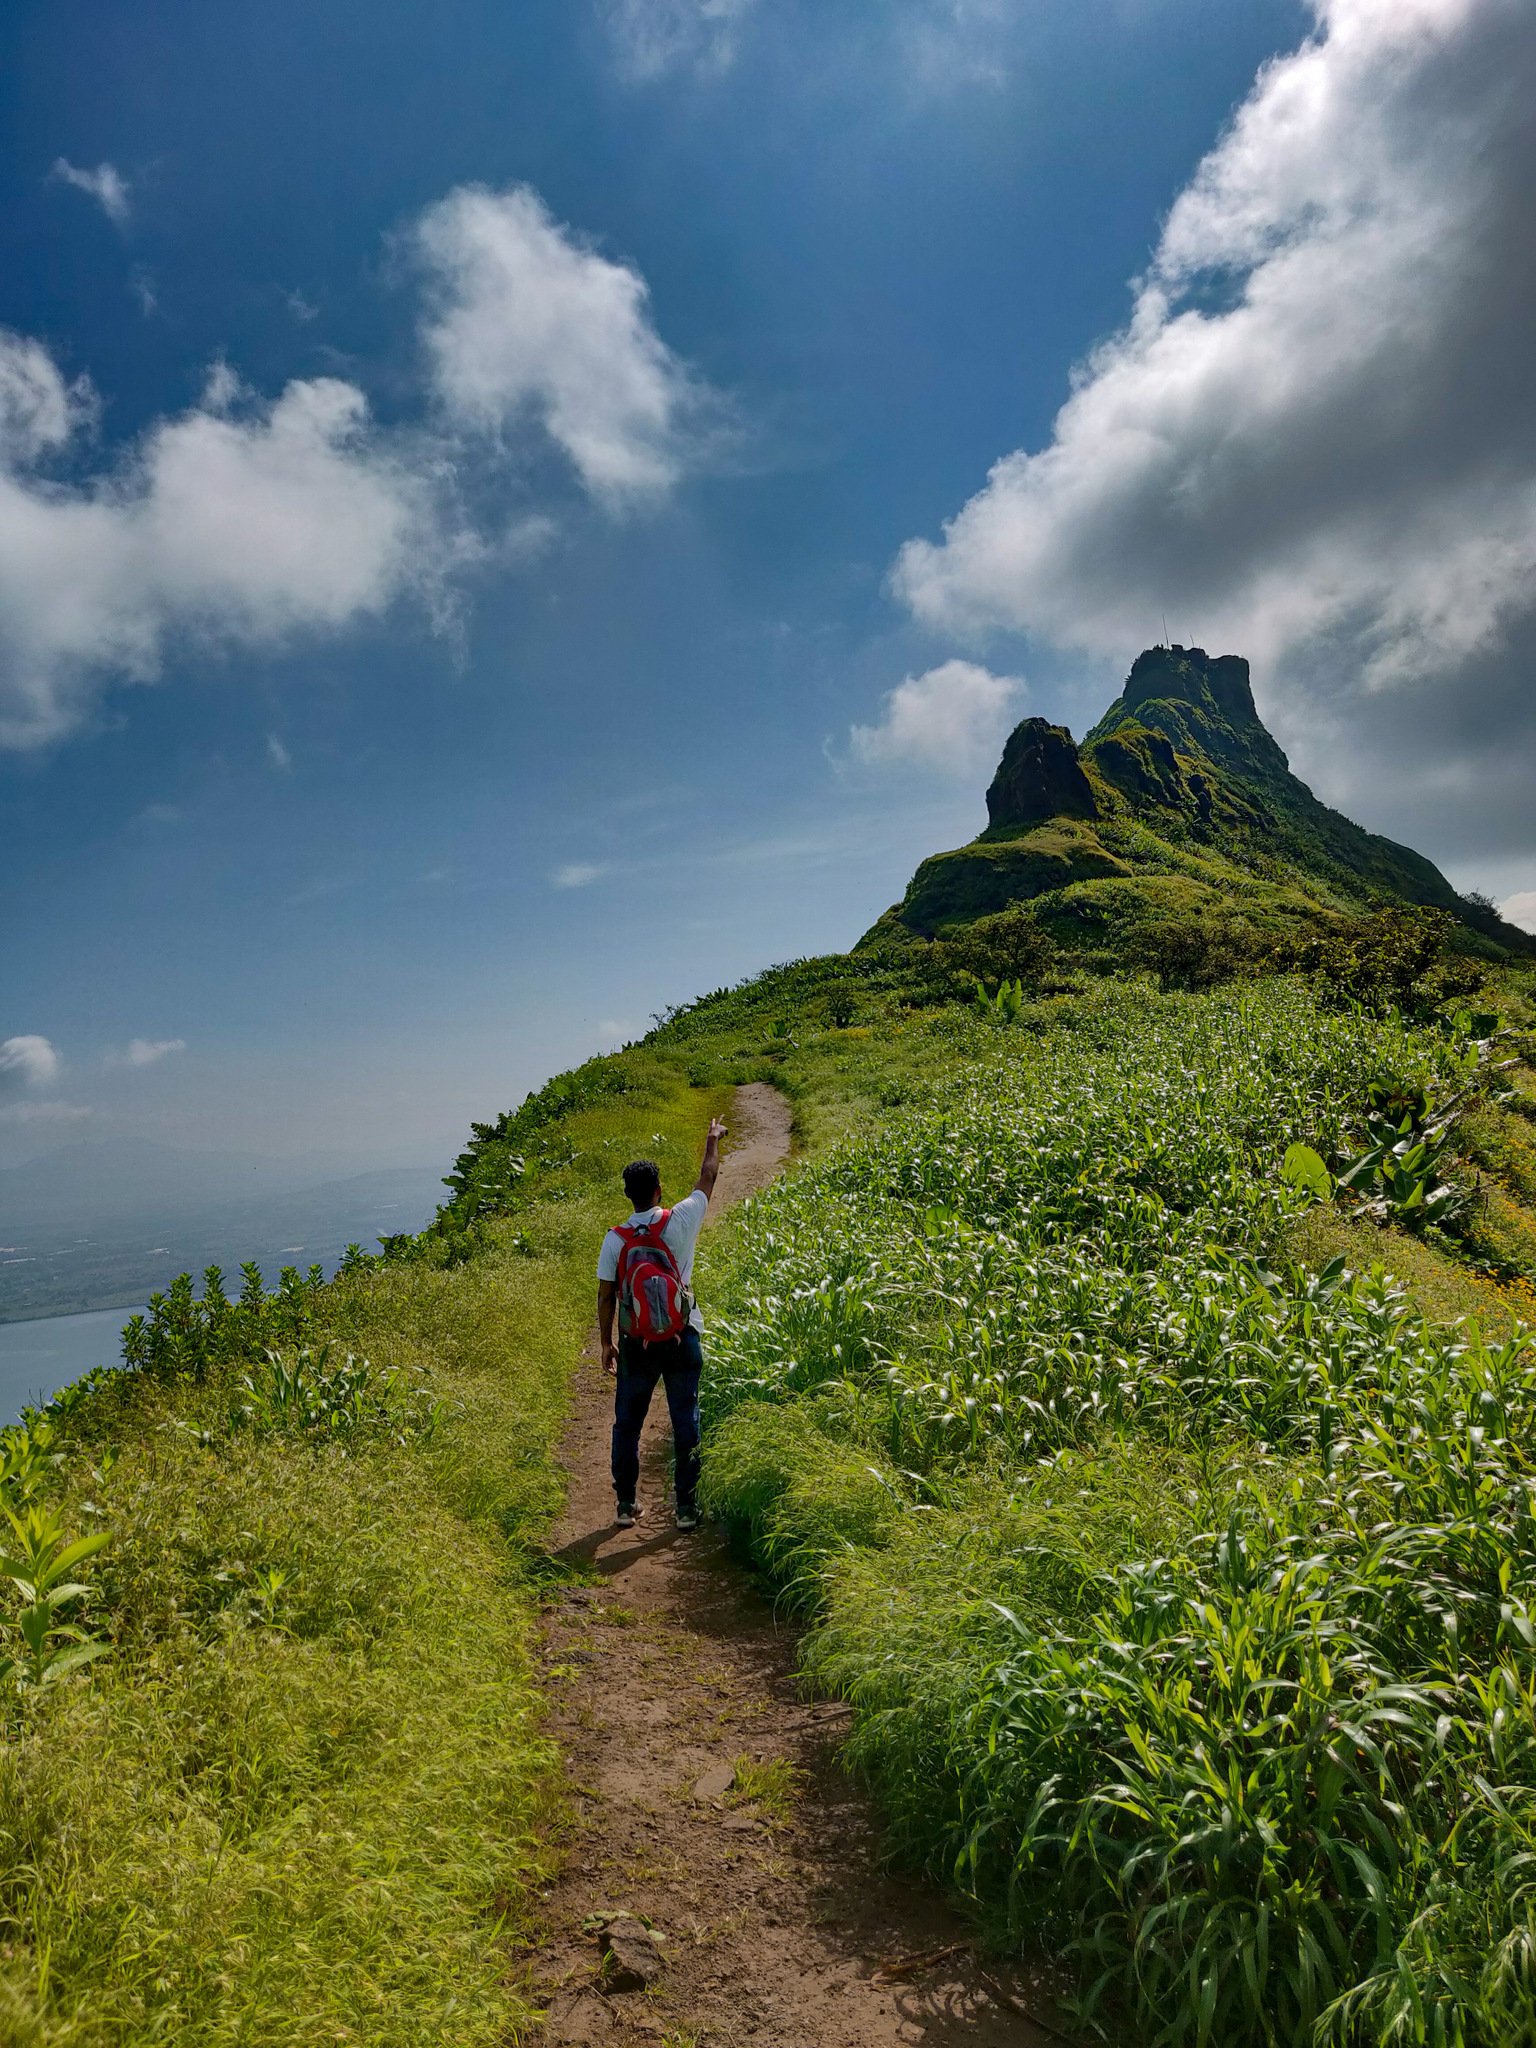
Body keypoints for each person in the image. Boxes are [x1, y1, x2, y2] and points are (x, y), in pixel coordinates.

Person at [596, 1117, 727, 1531]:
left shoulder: (615, 1239)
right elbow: (708, 1176)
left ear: (627, 1194)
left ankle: (625, 1505)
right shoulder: (681, 1218)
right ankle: (685, 1508)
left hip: (636, 1343)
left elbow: (606, 1296)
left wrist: (607, 1343)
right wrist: (712, 1138)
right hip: (682, 1336)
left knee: (627, 1424)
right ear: (658, 1189)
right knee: (686, 1419)